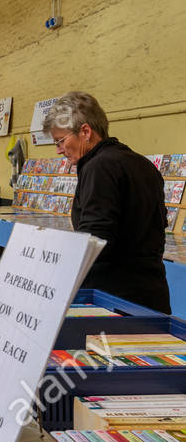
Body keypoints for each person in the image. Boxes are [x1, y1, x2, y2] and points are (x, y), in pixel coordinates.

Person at [42, 91, 171, 313]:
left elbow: (95, 236)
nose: (58, 150)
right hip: (151, 294)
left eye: (61, 141)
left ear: (85, 131)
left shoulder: (98, 167)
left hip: (112, 300)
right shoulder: (144, 164)